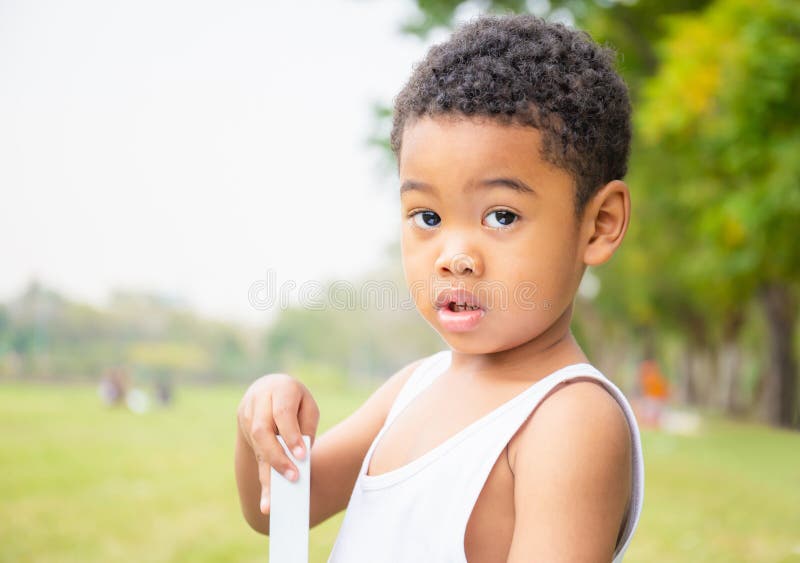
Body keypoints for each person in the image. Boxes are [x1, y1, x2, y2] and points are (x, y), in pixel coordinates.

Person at [235, 13, 644, 562]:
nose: (455, 258)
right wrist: (259, 422)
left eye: (501, 216)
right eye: (427, 217)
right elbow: (281, 511)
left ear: (598, 224)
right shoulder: (414, 387)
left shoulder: (568, 421)